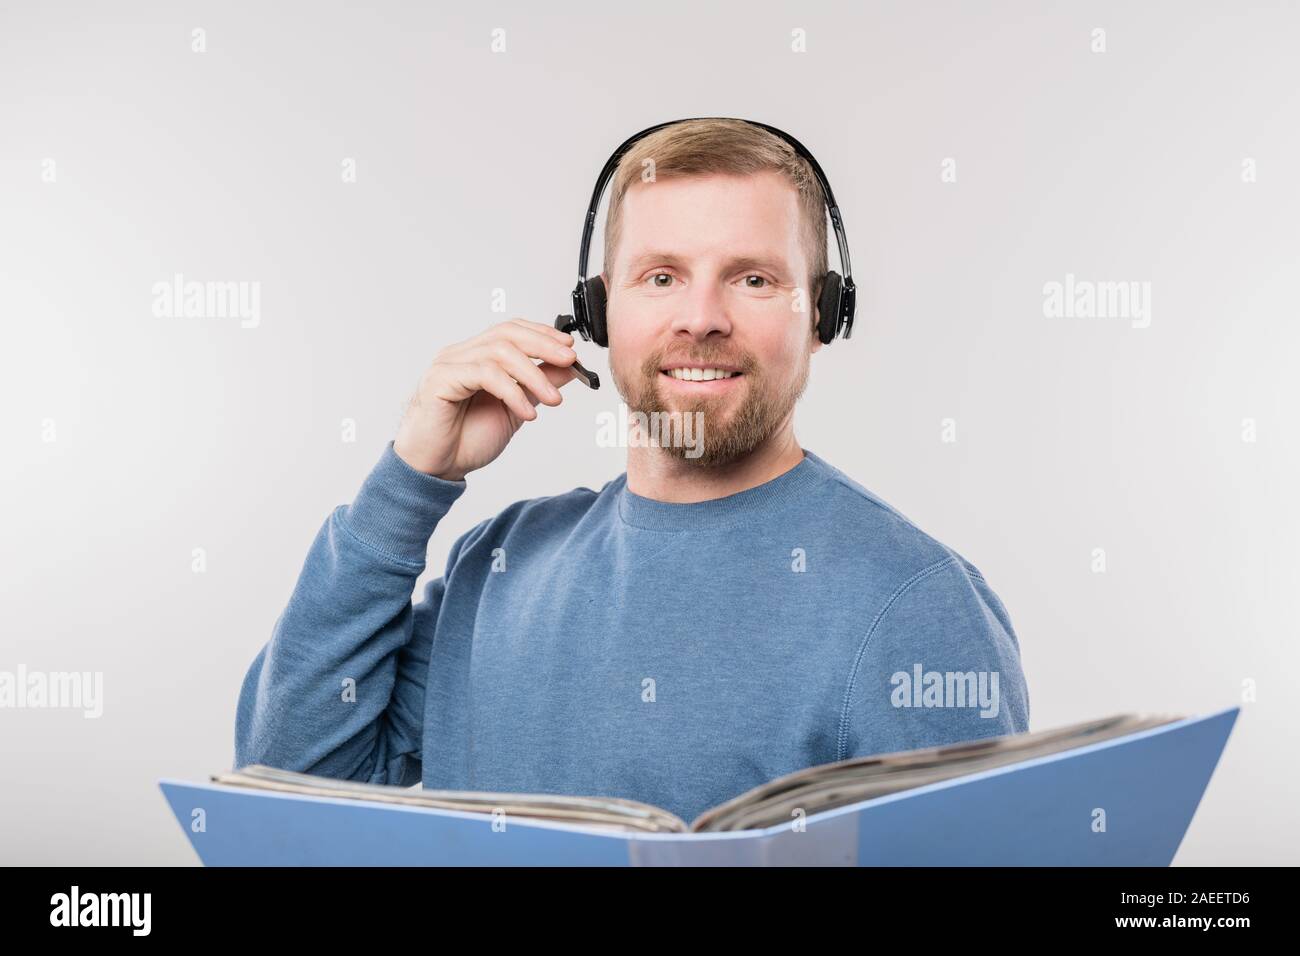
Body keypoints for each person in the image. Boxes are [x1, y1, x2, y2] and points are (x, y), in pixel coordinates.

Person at [234, 118, 1029, 825]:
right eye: (661, 277)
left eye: (753, 279)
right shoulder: (499, 566)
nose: (701, 319)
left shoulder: (918, 605)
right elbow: (288, 789)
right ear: (598, 311)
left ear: (822, 314)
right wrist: (410, 480)